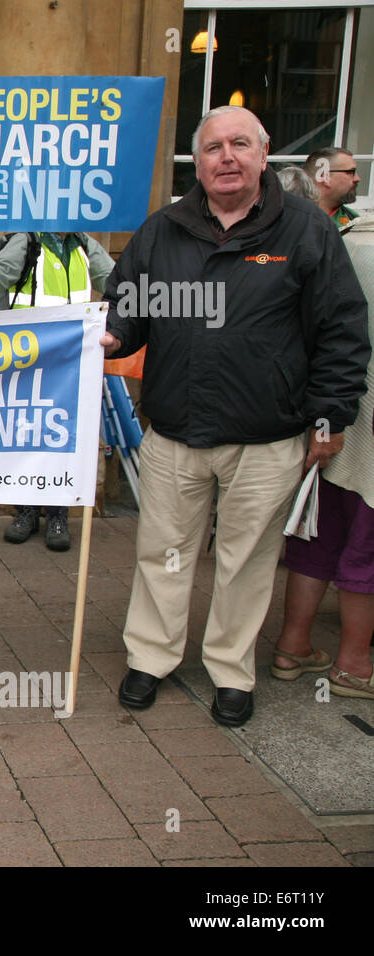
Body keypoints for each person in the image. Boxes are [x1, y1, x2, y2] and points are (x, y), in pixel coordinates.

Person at [102, 106, 369, 727]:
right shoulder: (163, 229)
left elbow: (342, 332)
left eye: (239, 144)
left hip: (267, 435)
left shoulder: (306, 230)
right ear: (199, 162)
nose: (227, 157)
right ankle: (153, 657)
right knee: (163, 550)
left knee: (246, 561)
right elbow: (126, 309)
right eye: (214, 147)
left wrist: (330, 418)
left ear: (263, 153)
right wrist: (108, 335)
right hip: (174, 430)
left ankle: (230, 669)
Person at [0, 232, 113, 550]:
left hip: (71, 362)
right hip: (30, 358)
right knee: (28, 433)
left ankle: (58, 514)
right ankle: (28, 511)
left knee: (62, 436)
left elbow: (120, 281)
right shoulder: (28, 241)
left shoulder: (86, 245)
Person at [272, 214, 374, 698]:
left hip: (327, 416)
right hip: (363, 418)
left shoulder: (339, 242)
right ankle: (354, 663)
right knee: (365, 546)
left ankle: (292, 646)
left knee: (318, 533)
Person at [304, 147, 361, 227]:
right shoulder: (292, 217)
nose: (357, 178)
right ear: (324, 176)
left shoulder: (355, 222)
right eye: (351, 172)